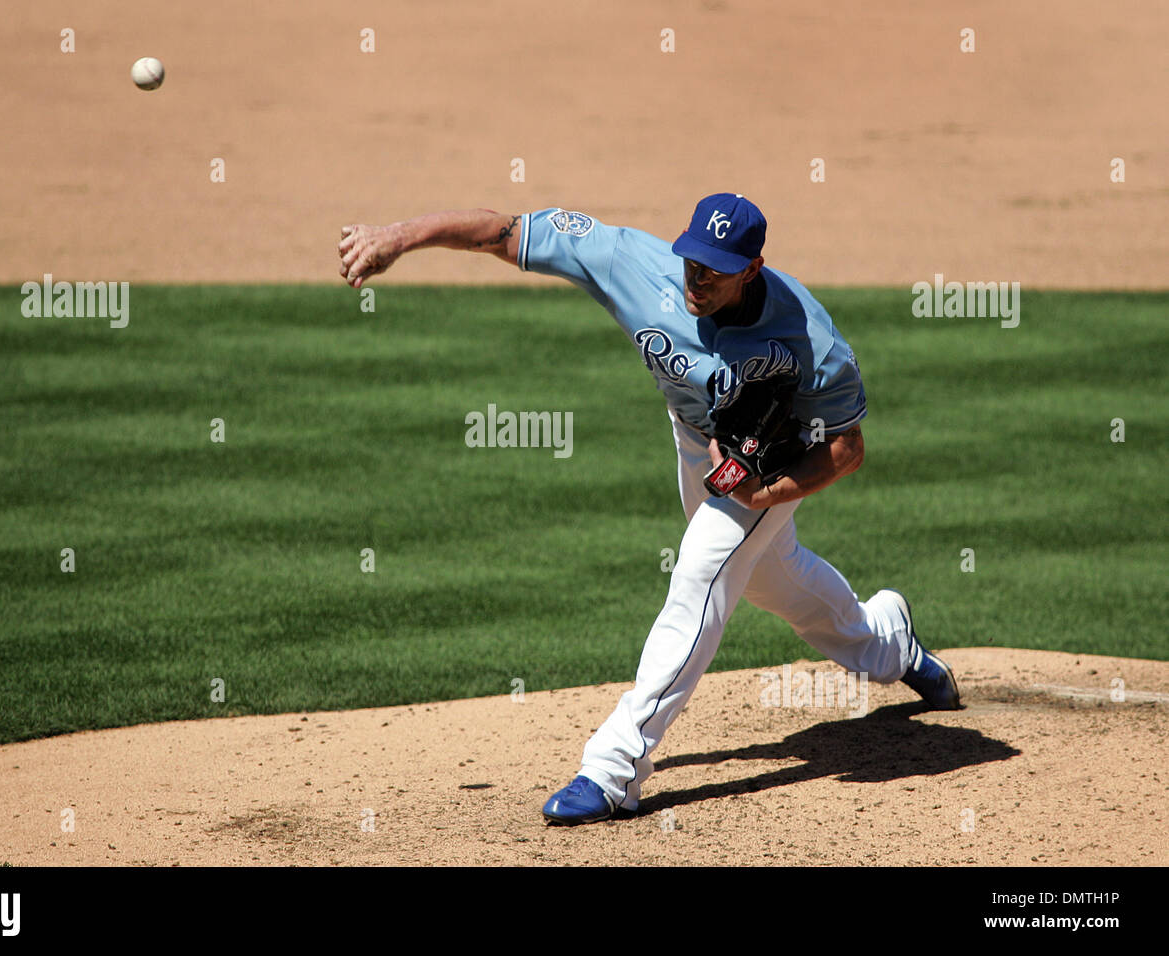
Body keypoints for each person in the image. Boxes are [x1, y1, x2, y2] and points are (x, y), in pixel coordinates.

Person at [338, 194, 961, 826]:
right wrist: (397, 237)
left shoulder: (812, 341)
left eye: (716, 269)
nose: (698, 277)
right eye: (693, 261)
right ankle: (888, 642)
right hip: (695, 442)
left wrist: (767, 493)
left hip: (770, 461)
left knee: (700, 572)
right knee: (772, 579)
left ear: (752, 268)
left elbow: (847, 448)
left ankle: (613, 770)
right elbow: (504, 232)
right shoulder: (631, 262)